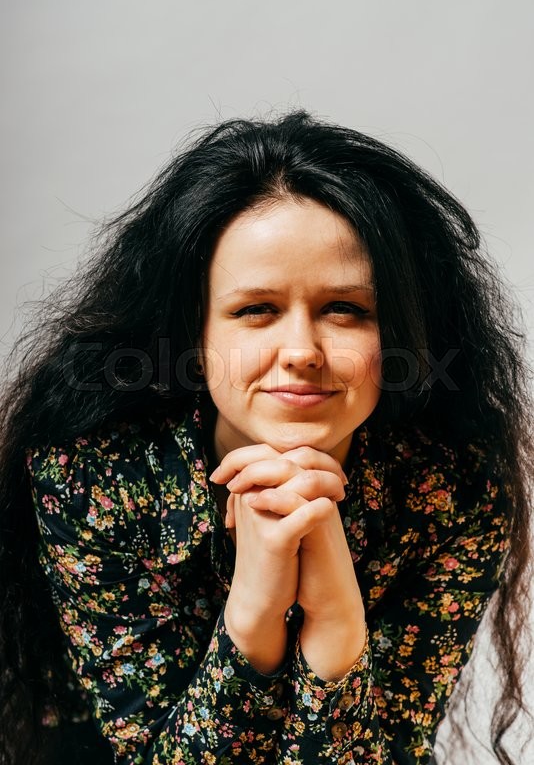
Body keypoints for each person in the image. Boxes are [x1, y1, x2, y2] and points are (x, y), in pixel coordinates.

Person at [0, 111, 531, 765]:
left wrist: (335, 618)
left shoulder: (451, 489)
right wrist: (253, 611)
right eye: (256, 311)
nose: (302, 351)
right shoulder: (92, 474)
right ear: (196, 335)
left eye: (346, 310)